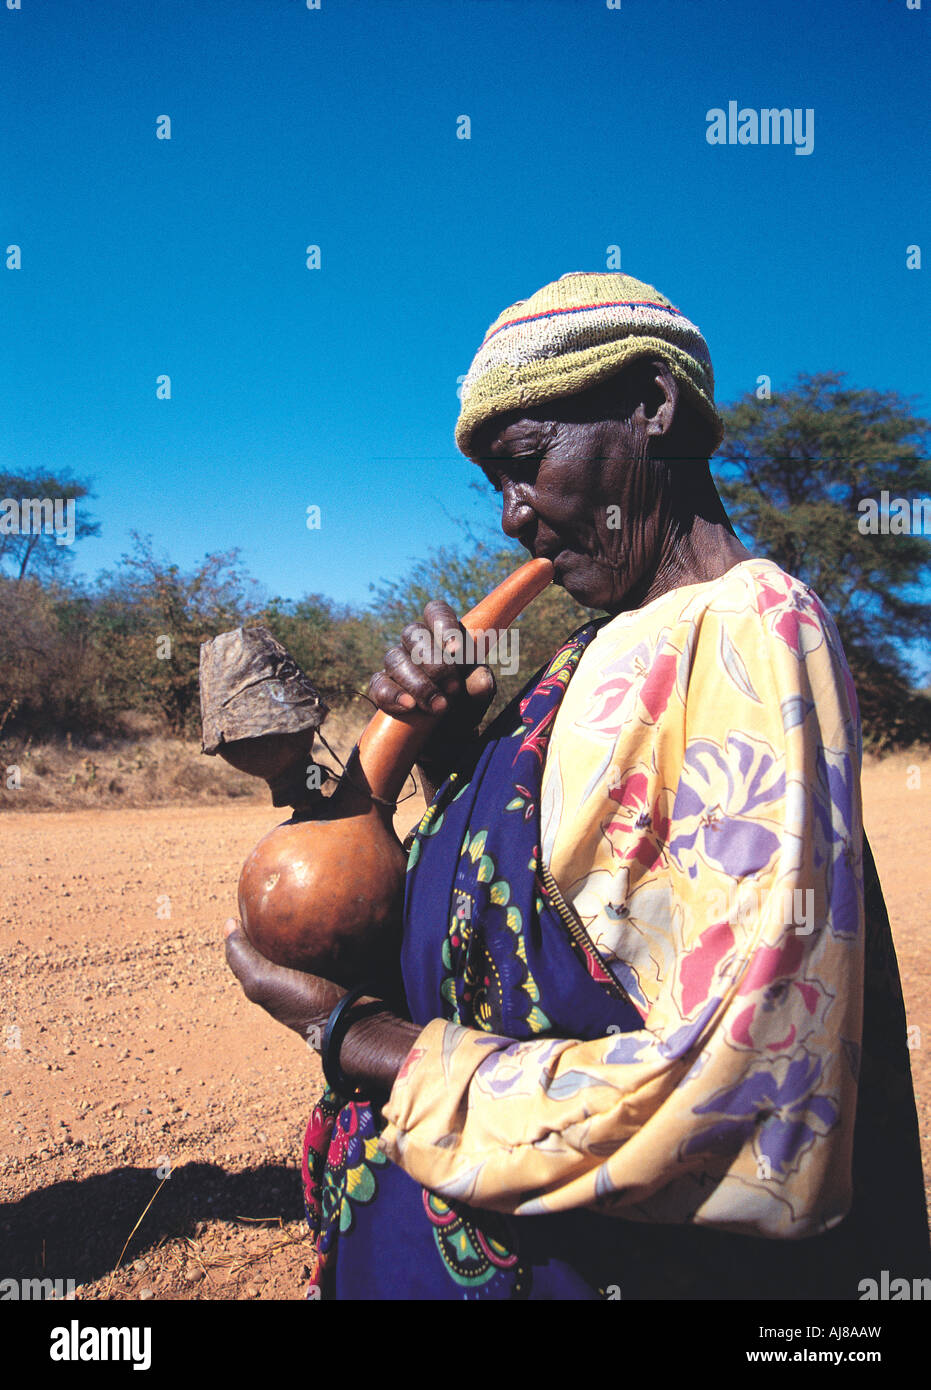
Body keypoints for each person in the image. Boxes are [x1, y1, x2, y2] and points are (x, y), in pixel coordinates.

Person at [225, 271, 929, 1300]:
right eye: (494, 486)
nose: (512, 517)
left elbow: (748, 1091)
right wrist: (446, 749)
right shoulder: (579, 657)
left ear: (655, 404)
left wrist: (369, 1045)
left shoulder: (749, 629)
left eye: (525, 463)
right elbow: (520, 938)